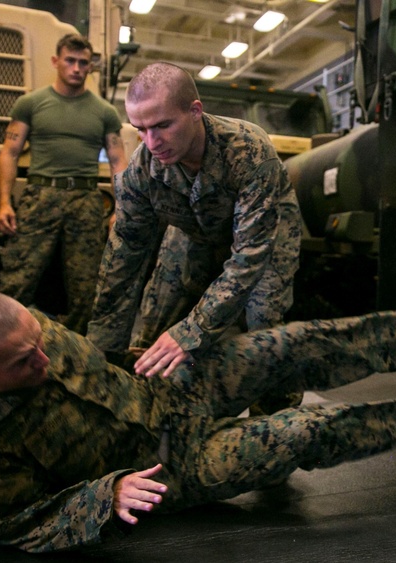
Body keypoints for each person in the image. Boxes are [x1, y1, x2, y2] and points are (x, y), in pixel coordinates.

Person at [0, 289, 396, 553]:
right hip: (168, 466)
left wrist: (169, 342)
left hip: (164, 395)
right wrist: (104, 495)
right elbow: (10, 522)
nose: (43, 360)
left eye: (38, 340)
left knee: (285, 345)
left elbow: (101, 346)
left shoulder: (26, 331)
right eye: (25, 363)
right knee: (303, 431)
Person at [86, 62, 302, 388]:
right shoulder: (141, 170)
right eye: (140, 129)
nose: (152, 141)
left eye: (162, 125)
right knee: (155, 322)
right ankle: (149, 399)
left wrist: (192, 331)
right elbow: (124, 256)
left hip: (263, 232)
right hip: (195, 231)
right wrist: (99, 352)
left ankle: (274, 419)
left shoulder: (249, 151)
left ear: (195, 111)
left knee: (263, 321)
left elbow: (249, 256)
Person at [0, 33, 127, 334]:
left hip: (85, 199)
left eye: (84, 62)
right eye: (70, 60)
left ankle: (78, 354)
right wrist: (4, 201)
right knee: (17, 280)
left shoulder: (104, 112)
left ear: (90, 66)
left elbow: (119, 162)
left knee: (87, 288)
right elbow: (10, 152)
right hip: (40, 196)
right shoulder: (31, 103)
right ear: (56, 61)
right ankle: (1, 347)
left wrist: (121, 209)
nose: (77, 68)